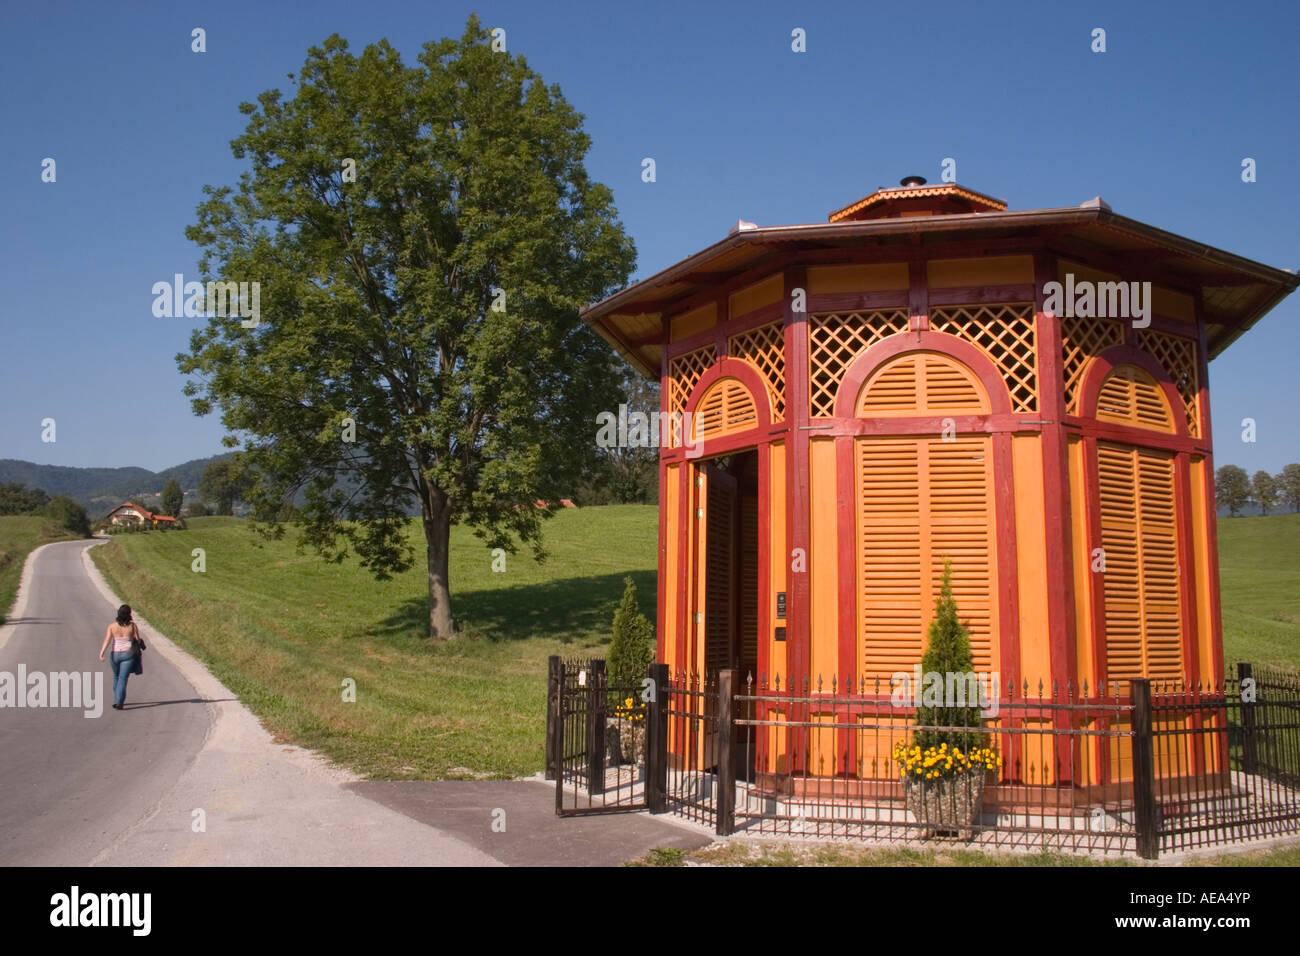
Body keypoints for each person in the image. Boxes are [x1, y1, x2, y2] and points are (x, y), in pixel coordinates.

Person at [98, 604, 146, 710]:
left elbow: (107, 640)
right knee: (123, 678)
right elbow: (137, 639)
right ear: (129, 614)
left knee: (116, 676)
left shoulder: (112, 626)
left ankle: (117, 697)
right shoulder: (133, 626)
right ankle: (119, 701)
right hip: (128, 655)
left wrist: (102, 652)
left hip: (115, 655)